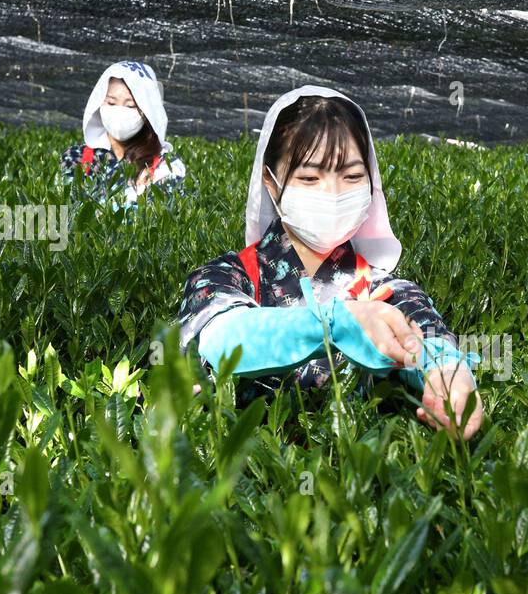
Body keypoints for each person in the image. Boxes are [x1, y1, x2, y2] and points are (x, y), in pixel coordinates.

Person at [176, 85, 484, 439]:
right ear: (271, 182)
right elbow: (219, 338)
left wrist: (451, 374)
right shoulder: (226, 277)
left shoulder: (384, 290)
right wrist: (334, 323)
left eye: (352, 176)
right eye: (309, 177)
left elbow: (426, 337)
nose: (333, 193)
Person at [60, 60, 187, 211]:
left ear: (148, 112)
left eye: (131, 105)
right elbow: (63, 213)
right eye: (111, 103)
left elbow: (162, 222)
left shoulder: (167, 166)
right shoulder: (76, 157)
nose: (119, 112)